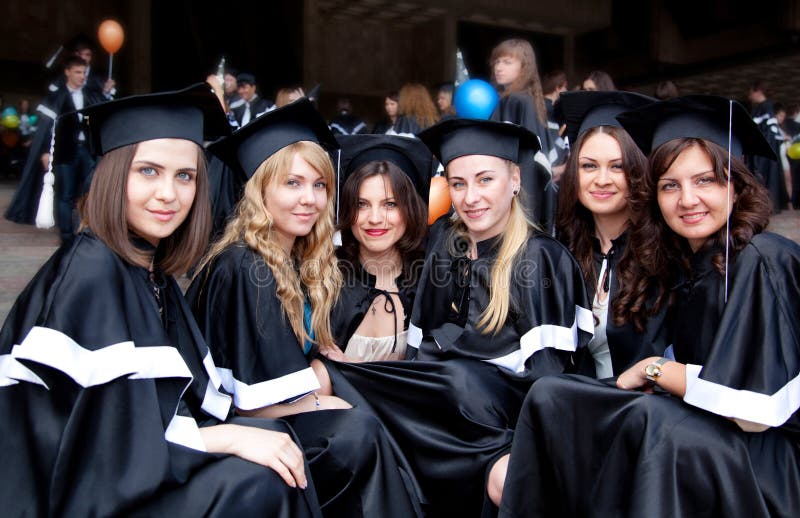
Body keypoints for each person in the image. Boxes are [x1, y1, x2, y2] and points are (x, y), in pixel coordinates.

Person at [0, 84, 324, 516]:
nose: (169, 193)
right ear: (115, 174)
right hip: (73, 493)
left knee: (279, 460)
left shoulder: (147, 269)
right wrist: (227, 437)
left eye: (185, 176)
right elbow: (102, 448)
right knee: (258, 480)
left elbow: (166, 407)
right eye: (149, 171)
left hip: (129, 471)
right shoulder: (90, 274)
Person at [498, 95, 800, 517]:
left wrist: (655, 367)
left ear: (737, 185)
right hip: (703, 439)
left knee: (649, 426)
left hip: (758, 464)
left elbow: (752, 411)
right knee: (551, 396)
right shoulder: (694, 265)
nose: (688, 199)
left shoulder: (762, 257)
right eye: (670, 186)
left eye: (706, 181)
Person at [321, 118, 593, 517]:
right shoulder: (443, 248)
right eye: (458, 183)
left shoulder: (540, 259)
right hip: (440, 421)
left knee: (460, 382)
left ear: (515, 179)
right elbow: (420, 361)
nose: (470, 197)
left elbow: (548, 384)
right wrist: (360, 372)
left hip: (500, 430)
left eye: (485, 180)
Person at [187, 99, 423, 517]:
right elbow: (248, 401)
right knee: (355, 427)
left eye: (319, 185)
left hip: (263, 413)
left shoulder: (294, 258)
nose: (310, 199)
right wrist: (321, 401)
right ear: (260, 189)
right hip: (217, 430)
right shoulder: (245, 265)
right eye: (292, 183)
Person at [555, 90, 666, 378]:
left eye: (617, 166)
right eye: (589, 166)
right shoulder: (563, 251)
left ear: (637, 170)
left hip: (646, 408)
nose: (601, 180)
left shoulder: (662, 252)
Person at [329, 134, 432, 361]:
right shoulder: (324, 278)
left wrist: (347, 366)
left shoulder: (430, 280)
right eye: (361, 204)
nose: (375, 218)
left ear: (410, 209)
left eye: (390, 204)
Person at [6, 55, 107, 242]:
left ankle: (85, 233)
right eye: (77, 72)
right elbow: (45, 130)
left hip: (87, 152)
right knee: (66, 195)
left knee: (88, 193)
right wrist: (45, 151)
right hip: (64, 153)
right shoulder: (56, 98)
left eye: (84, 72)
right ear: (67, 72)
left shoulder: (91, 95)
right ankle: (67, 236)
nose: (82, 76)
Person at [488, 38, 557, 233]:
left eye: (507, 62)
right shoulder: (525, 99)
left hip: (519, 191)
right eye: (497, 62)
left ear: (524, 67)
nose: (499, 67)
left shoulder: (517, 100)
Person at [747, 80, 788, 212]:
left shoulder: (766, 106)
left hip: (764, 152)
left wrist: (763, 150)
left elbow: (771, 131)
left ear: (757, 91)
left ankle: (767, 207)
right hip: (761, 150)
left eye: (750, 92)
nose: (749, 95)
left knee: (764, 177)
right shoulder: (758, 108)